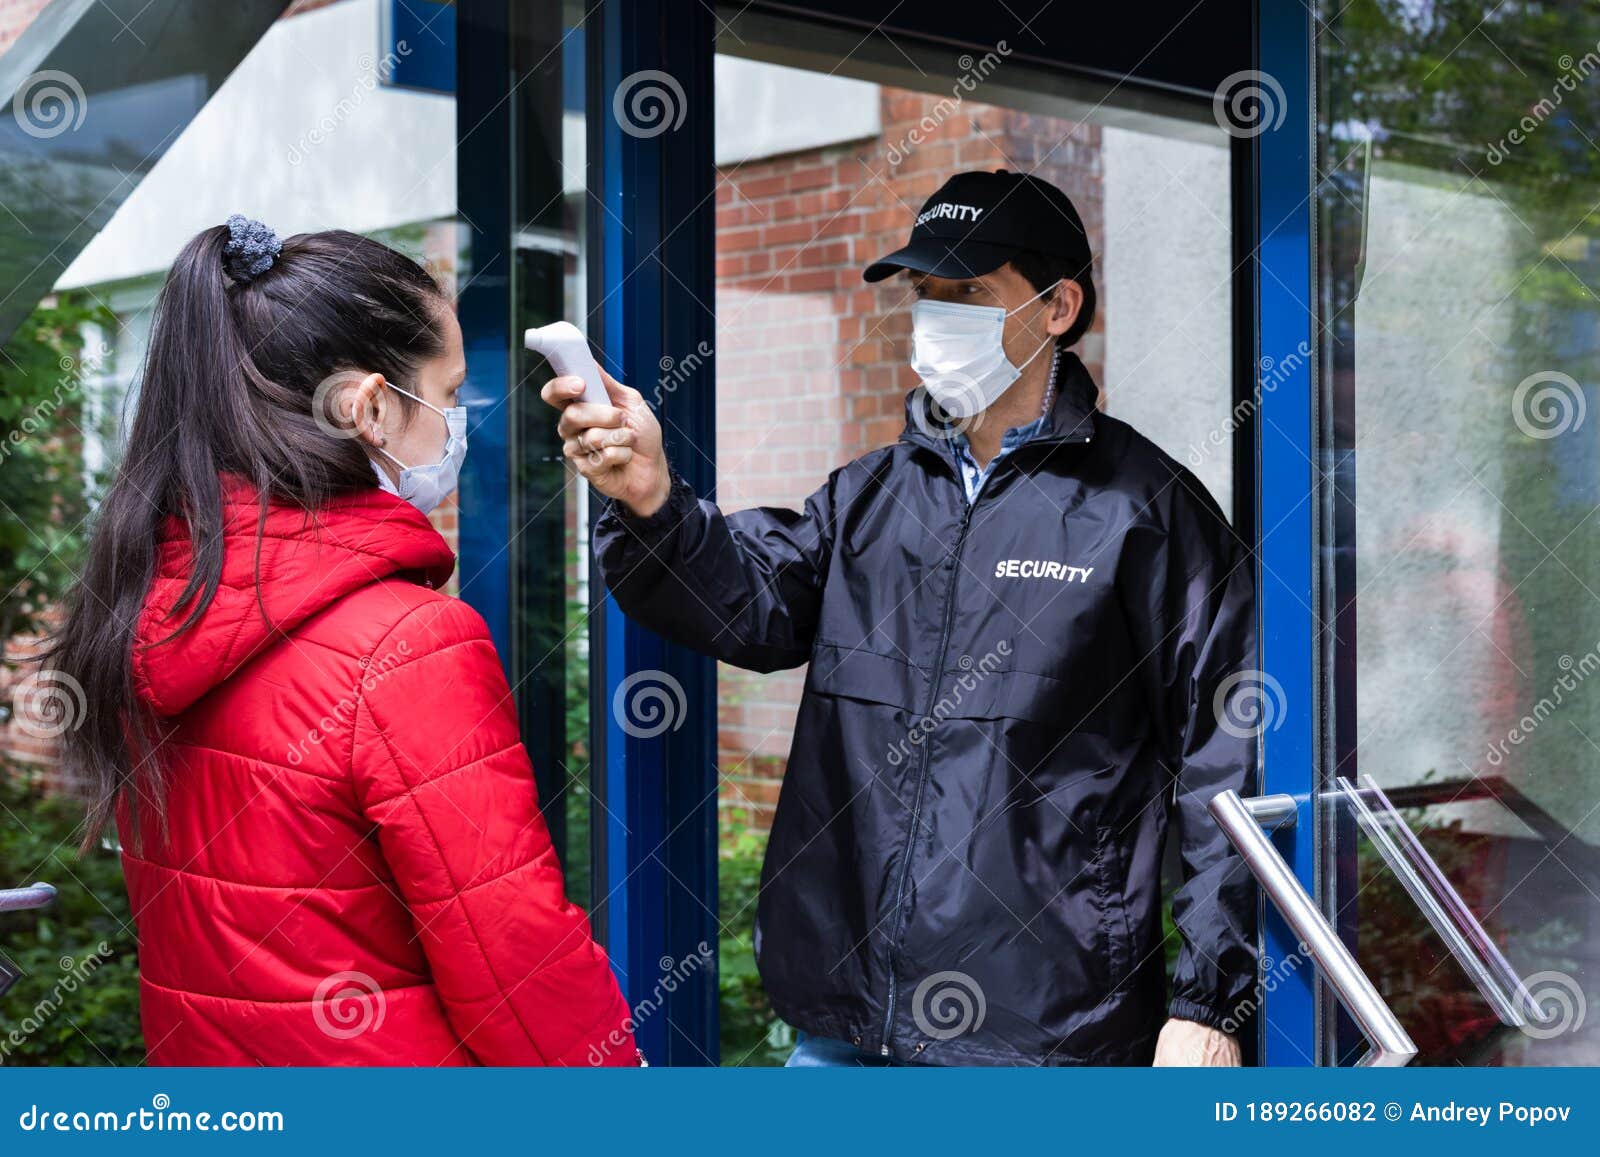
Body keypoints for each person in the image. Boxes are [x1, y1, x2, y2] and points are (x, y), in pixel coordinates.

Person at [545, 170, 1258, 1067]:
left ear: (1059, 306)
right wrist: (651, 500)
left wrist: (1211, 1000)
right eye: (927, 294)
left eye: (968, 293)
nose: (936, 319)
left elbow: (1229, 762)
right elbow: (748, 605)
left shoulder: (1145, 510)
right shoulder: (869, 496)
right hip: (847, 1021)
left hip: (1044, 1036)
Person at [48, 216, 636, 1067]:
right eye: (450, 389)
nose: (458, 422)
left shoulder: (147, 606)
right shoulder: (408, 643)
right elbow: (512, 948)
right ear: (367, 406)